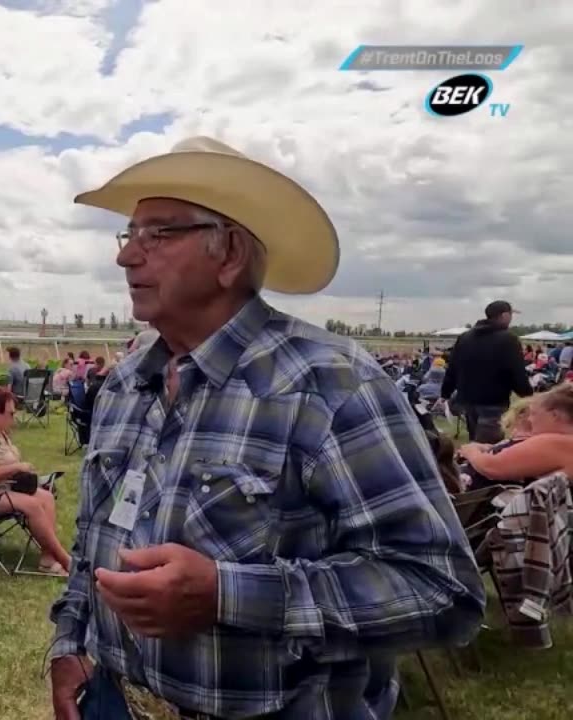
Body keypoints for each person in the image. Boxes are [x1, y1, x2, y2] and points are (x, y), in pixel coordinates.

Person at [48, 137, 484, 719]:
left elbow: (440, 588)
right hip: (112, 700)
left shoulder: (331, 384)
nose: (126, 256)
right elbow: (91, 541)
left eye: (158, 234)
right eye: (130, 234)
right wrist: (70, 643)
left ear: (229, 252)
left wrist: (227, 595)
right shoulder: (127, 381)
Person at [0, 386, 71, 574]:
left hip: (9, 489)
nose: (14, 417)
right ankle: (63, 558)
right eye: (10, 413)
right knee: (33, 505)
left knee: (47, 497)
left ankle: (47, 558)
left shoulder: (1, 432)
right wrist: (16, 468)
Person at [440, 300, 533, 443]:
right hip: (493, 401)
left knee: (475, 443)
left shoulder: (465, 338)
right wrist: (528, 395)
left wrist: (445, 393)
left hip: (468, 399)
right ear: (504, 315)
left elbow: (452, 368)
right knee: (488, 447)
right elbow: (516, 371)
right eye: (510, 315)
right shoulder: (508, 339)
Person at [459, 384, 573, 483]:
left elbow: (492, 467)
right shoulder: (565, 443)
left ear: (554, 415)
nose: (530, 420)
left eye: (534, 414)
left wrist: (471, 451)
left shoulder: (556, 443)